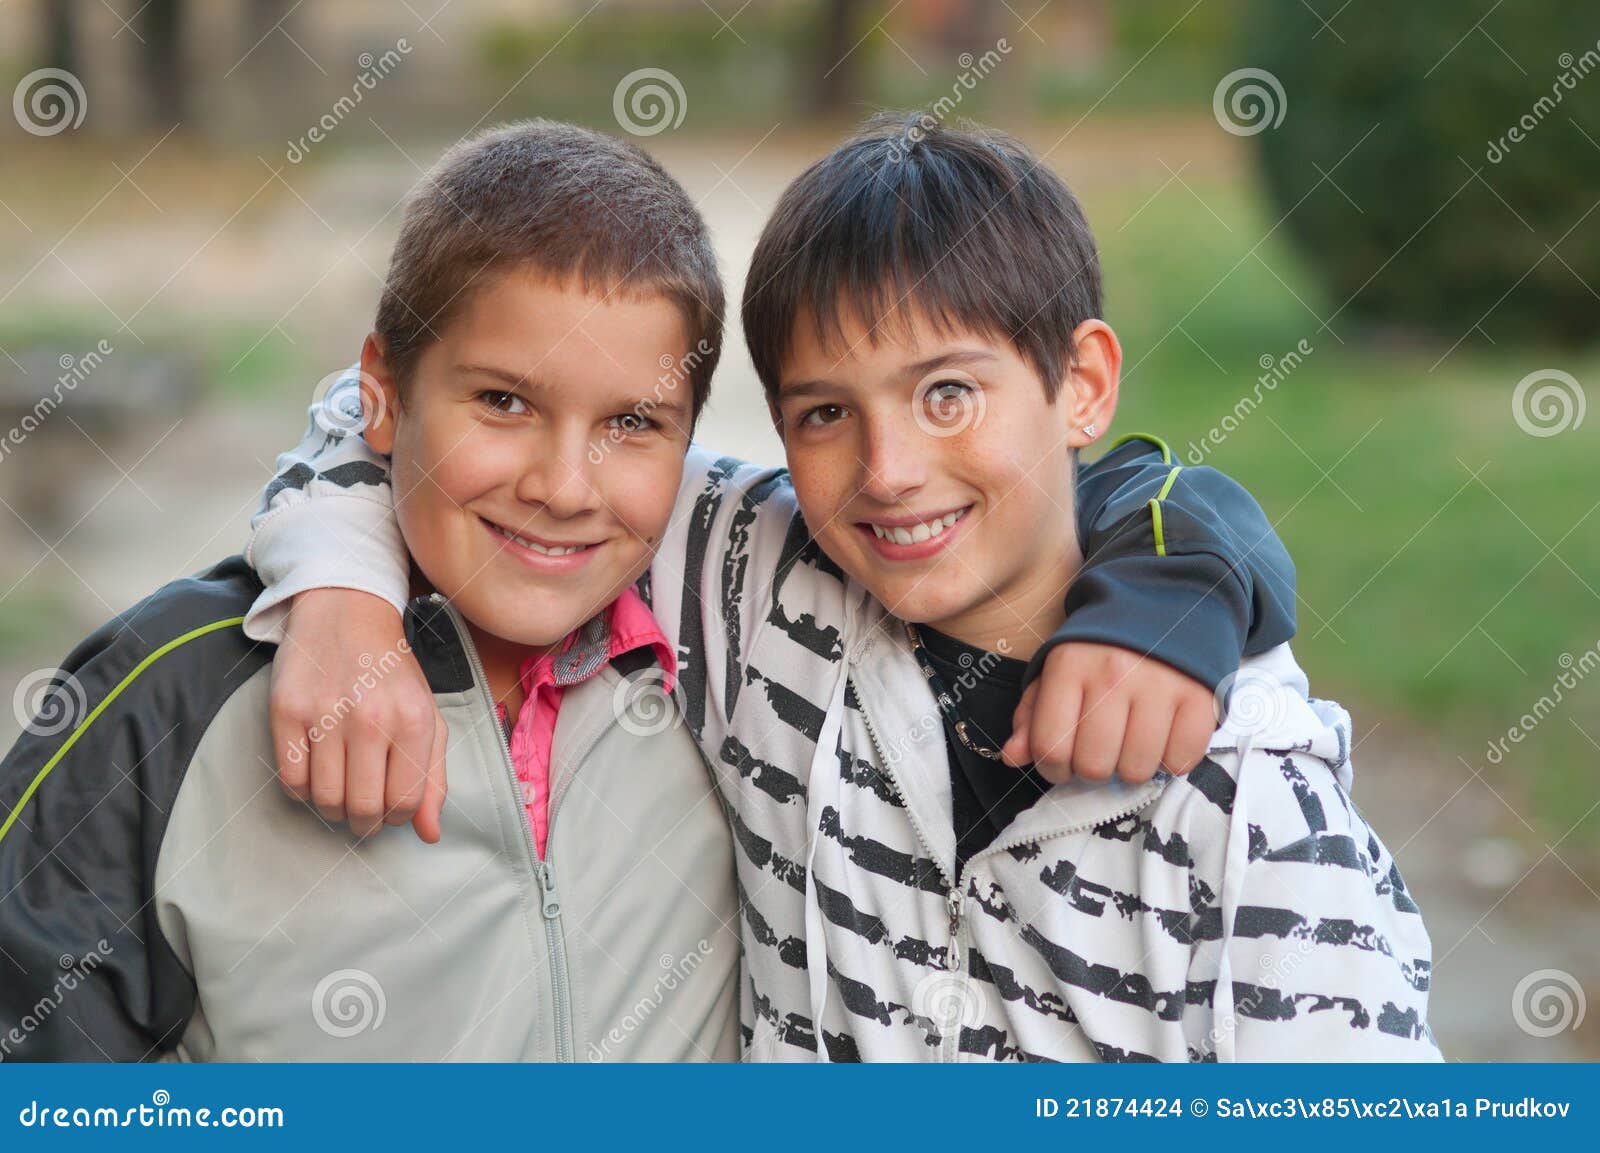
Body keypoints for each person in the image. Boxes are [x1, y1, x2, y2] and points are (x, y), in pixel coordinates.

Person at [232, 115, 1433, 1060]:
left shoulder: (1246, 809)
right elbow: (384, 417)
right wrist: (345, 602)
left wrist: (1184, 577)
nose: (890, 472)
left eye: (947, 393)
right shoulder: (755, 586)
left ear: (1083, 384)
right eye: (823, 414)